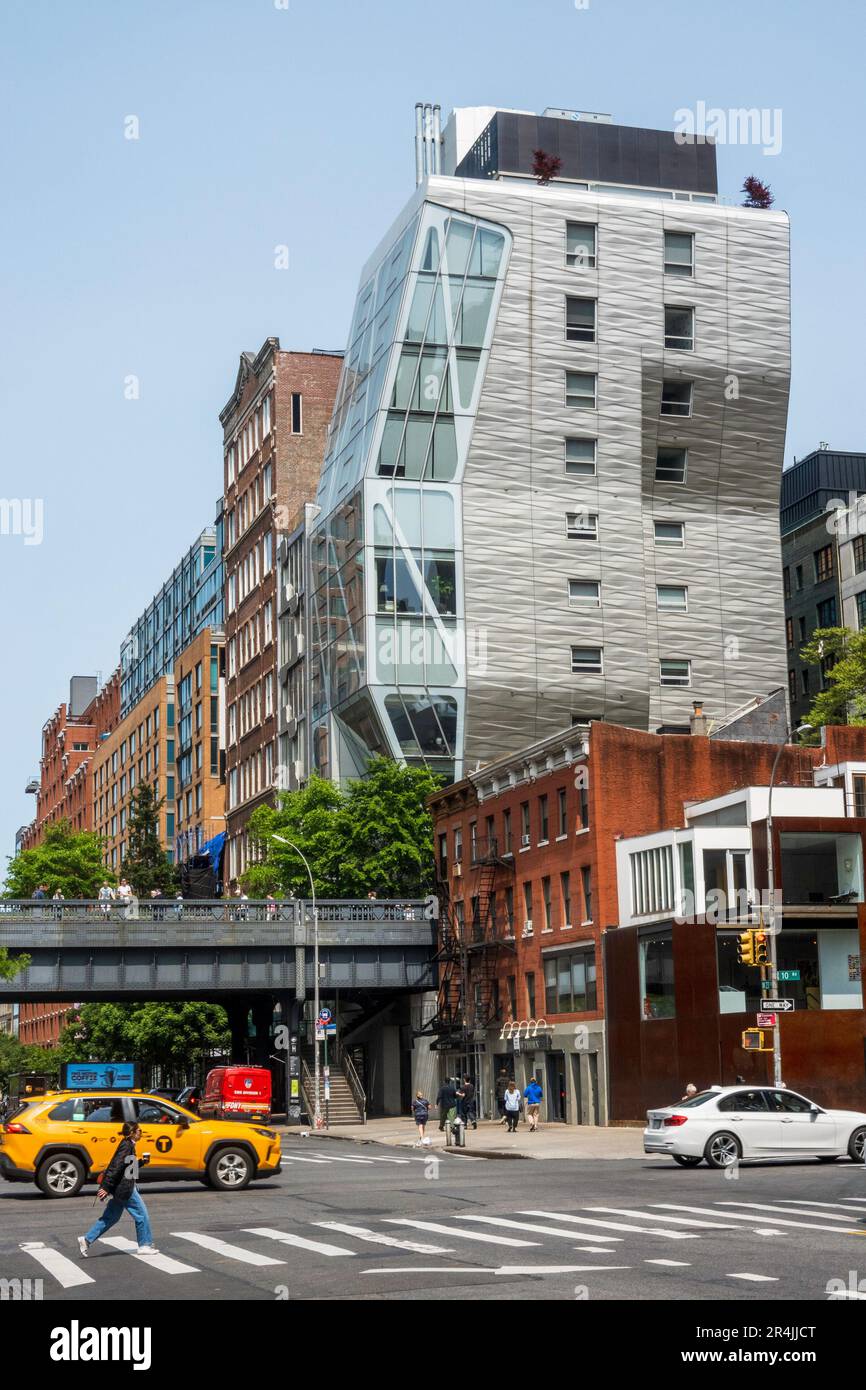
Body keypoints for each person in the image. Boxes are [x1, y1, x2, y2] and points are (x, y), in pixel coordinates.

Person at [78, 1121, 158, 1257]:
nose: (141, 1133)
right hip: (125, 1188)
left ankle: (86, 1240)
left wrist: (142, 1162)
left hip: (123, 1187)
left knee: (111, 1218)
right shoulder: (126, 1146)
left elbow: (128, 1168)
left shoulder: (129, 1145)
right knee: (142, 1214)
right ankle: (144, 1245)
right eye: (139, 1131)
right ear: (132, 1133)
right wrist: (106, 1186)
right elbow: (116, 1166)